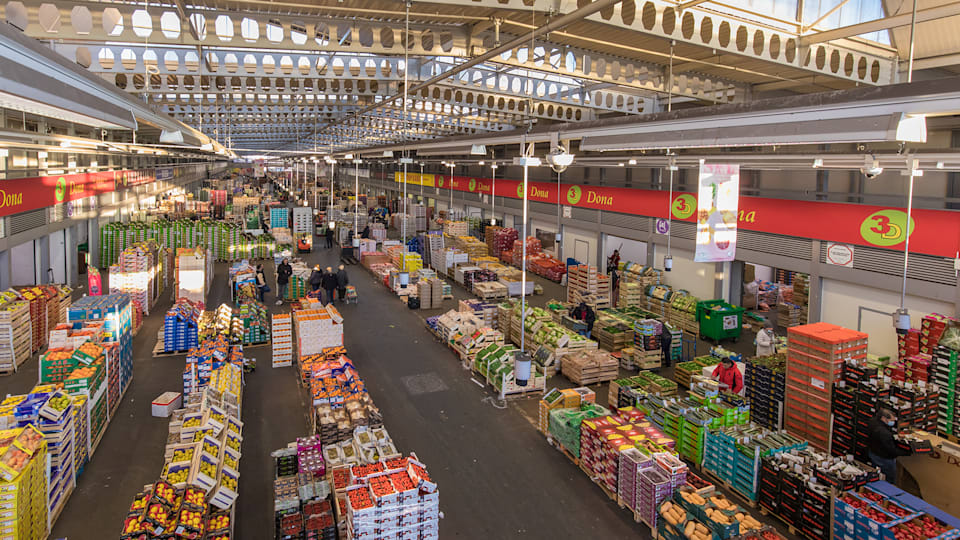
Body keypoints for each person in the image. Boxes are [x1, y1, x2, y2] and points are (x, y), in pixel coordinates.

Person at [868, 408, 911, 483]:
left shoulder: (873, 422)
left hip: (873, 453)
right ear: (884, 418)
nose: (893, 422)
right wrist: (907, 452)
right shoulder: (883, 432)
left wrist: (894, 436)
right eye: (892, 420)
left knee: (876, 474)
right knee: (889, 479)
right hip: (884, 458)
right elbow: (891, 450)